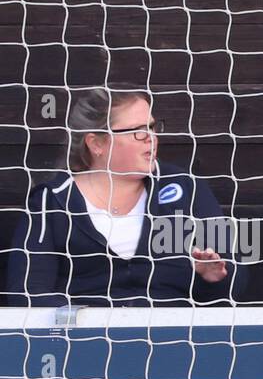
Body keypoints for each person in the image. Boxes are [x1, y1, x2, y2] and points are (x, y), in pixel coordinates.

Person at [7, 87, 238, 306]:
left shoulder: (187, 189)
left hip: (174, 338)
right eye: (137, 131)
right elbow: (27, 293)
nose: (150, 137)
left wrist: (212, 277)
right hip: (83, 341)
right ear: (96, 143)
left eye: (152, 127)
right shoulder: (52, 201)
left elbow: (237, 279)